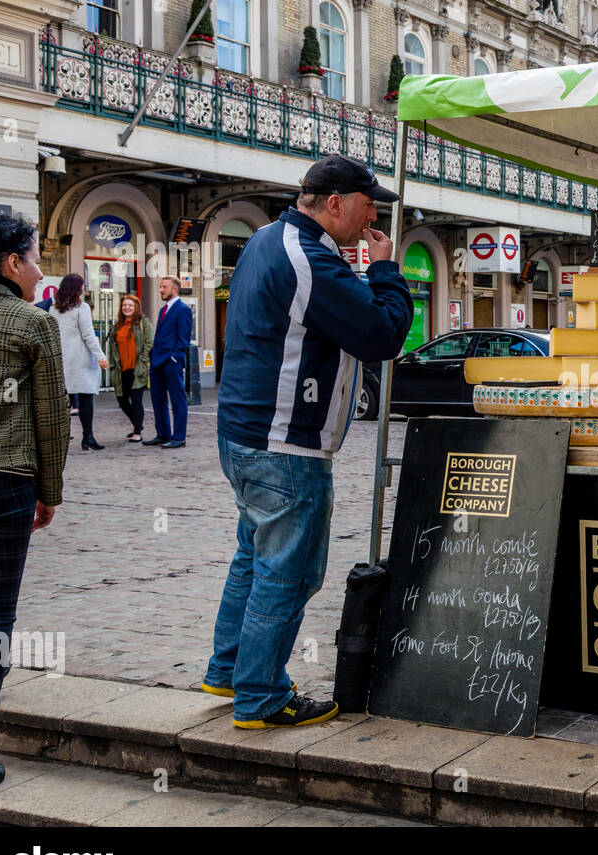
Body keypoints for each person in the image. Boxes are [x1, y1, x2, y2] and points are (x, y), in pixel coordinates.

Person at [204, 154, 412, 729]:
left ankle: (228, 670)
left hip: (244, 435)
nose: (374, 222)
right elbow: (381, 334)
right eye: (370, 207)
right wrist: (385, 269)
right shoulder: (312, 257)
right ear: (336, 204)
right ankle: (262, 696)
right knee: (288, 572)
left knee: (253, 557)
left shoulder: (268, 238)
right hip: (286, 443)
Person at [0, 212, 68, 801]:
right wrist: (49, 492)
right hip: (0, 480)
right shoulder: (31, 322)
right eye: (33, 258)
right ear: (11, 264)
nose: (39, 269)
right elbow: (51, 418)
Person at [51, 274, 109, 451]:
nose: (84, 289)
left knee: (64, 402)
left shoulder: (54, 308)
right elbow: (88, 335)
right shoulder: (81, 308)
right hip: (81, 359)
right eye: (82, 286)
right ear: (77, 288)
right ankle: (88, 437)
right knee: (85, 399)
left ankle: (61, 438)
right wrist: (101, 356)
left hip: (62, 360)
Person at [142, 276, 192, 449]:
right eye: (160, 286)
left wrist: (175, 358)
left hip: (171, 362)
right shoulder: (164, 309)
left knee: (178, 400)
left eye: (164, 287)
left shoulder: (182, 309)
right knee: (158, 400)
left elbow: (184, 338)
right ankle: (163, 435)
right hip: (157, 362)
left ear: (175, 289)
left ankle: (179, 438)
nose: (161, 290)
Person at [107, 293, 153, 442]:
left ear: (136, 307)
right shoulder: (118, 326)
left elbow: (149, 342)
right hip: (121, 370)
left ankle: (137, 432)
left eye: (130, 305)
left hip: (137, 368)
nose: (127, 307)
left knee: (136, 400)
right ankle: (137, 424)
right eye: (124, 305)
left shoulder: (143, 322)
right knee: (122, 400)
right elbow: (113, 348)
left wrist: (143, 360)